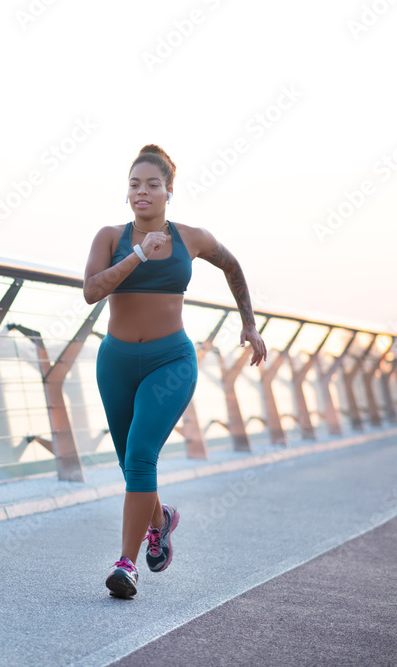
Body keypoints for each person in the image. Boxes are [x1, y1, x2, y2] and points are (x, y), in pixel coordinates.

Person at [83, 144, 267, 599]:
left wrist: (248, 322)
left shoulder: (193, 237)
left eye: (152, 184)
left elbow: (232, 265)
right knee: (130, 463)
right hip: (116, 361)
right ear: (127, 193)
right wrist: (140, 255)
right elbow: (91, 291)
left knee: (142, 456)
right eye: (134, 185)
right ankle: (161, 521)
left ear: (169, 191)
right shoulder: (110, 236)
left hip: (171, 361)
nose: (142, 192)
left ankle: (126, 566)